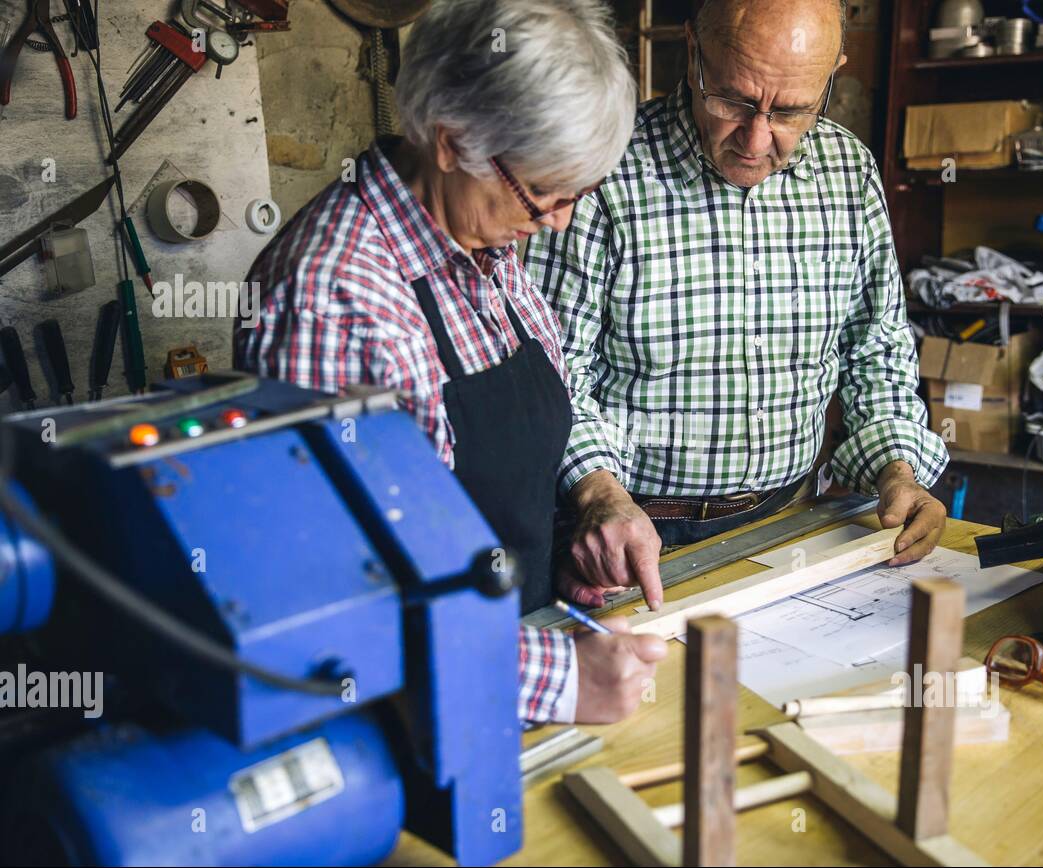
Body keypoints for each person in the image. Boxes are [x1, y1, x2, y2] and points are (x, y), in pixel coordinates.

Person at [233, 0, 665, 726]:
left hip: (510, 660)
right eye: (544, 192)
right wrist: (559, 679)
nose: (559, 219)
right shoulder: (329, 297)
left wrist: (564, 546)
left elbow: (477, 491)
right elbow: (334, 596)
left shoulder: (485, 241)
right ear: (450, 140)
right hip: (405, 723)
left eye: (577, 192)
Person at [527, 0, 950, 612]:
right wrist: (598, 495)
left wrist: (897, 469)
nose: (757, 139)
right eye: (732, 99)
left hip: (792, 518)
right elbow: (553, 371)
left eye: (792, 111)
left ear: (833, 73)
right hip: (631, 533)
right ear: (693, 50)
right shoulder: (604, 169)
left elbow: (875, 352)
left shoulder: (847, 172)